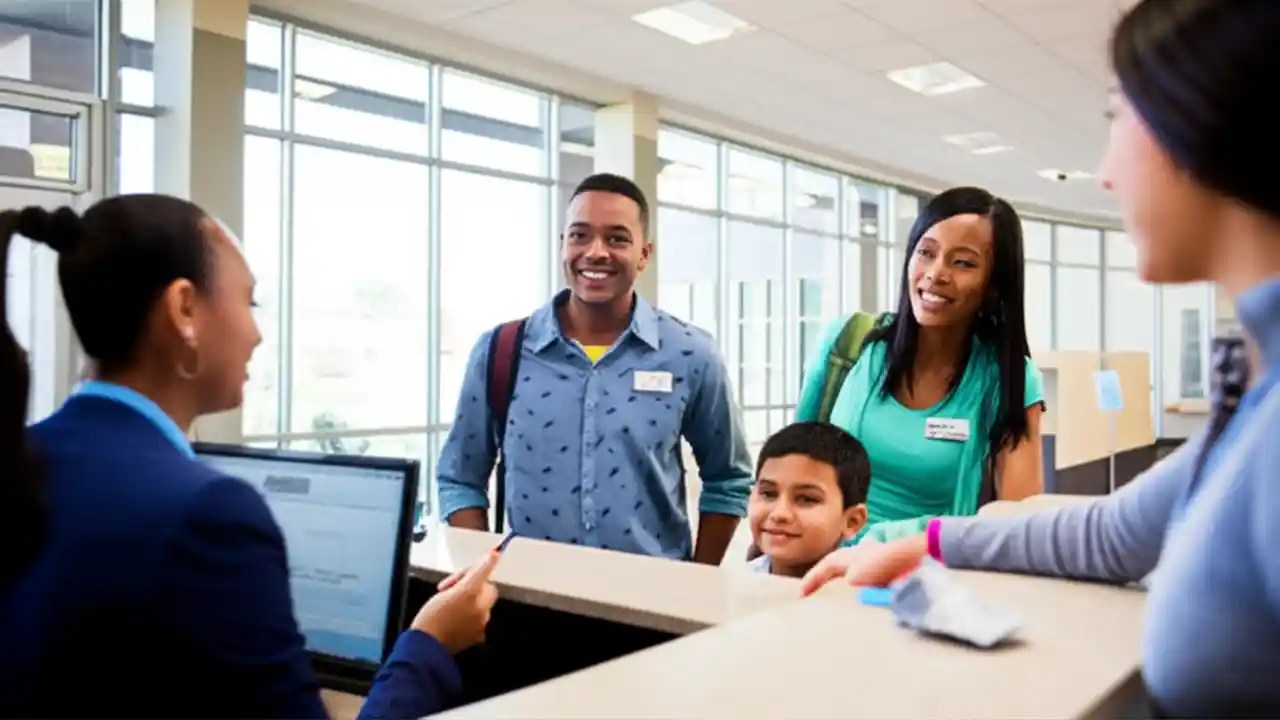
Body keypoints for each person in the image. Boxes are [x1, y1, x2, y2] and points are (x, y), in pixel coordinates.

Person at [802, 1, 1280, 716]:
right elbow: (1110, 534)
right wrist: (924, 542)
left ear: (1204, 126)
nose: (1107, 172)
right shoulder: (1257, 398)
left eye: (1121, 119)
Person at [0, 196, 498, 718]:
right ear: (184, 309)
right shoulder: (206, 514)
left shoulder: (17, 461)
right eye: (249, 302)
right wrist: (429, 644)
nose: (258, 334)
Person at [437, 173, 752, 563]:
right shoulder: (501, 351)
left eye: (617, 238)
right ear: (562, 246)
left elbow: (728, 479)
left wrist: (699, 582)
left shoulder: (690, 354)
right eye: (580, 235)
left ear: (644, 254)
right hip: (528, 600)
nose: (596, 252)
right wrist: (478, 574)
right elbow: (459, 478)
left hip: (651, 603)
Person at [794, 186, 1045, 538]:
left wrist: (883, 543)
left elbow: (1017, 524)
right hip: (820, 572)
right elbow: (792, 465)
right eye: (926, 252)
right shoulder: (848, 342)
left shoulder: (1006, 377)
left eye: (963, 262)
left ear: (994, 286)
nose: (936, 273)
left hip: (919, 578)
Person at [746, 422, 869, 578]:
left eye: (806, 499)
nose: (780, 514)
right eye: (768, 494)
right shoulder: (734, 585)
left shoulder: (859, 596)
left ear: (852, 521)